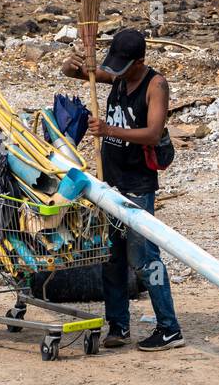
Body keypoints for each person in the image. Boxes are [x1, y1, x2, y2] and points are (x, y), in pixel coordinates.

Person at [62, 29, 183, 351]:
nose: (116, 72)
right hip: (110, 182)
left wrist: (108, 129)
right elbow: (73, 72)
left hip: (137, 186)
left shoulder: (155, 85)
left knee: (144, 258)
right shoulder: (118, 75)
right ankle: (118, 325)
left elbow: (153, 133)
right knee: (111, 257)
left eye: (123, 67)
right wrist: (74, 62)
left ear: (139, 62)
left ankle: (169, 328)